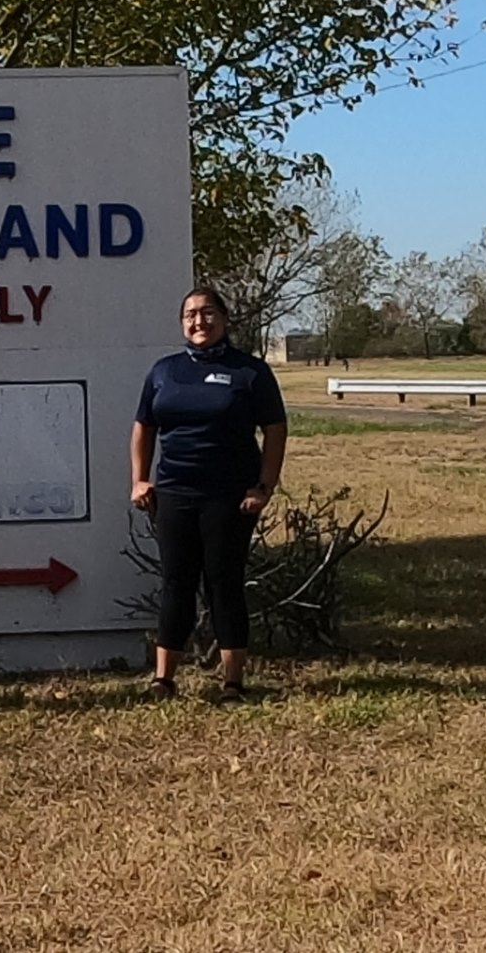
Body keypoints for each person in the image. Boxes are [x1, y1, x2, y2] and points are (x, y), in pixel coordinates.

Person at [129, 286, 287, 702]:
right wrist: (140, 479)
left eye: (208, 313)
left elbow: (275, 429)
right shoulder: (165, 371)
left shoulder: (249, 372)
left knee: (224, 584)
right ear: (183, 323)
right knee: (176, 583)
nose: (199, 321)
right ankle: (163, 680)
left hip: (229, 496)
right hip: (175, 493)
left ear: (224, 318)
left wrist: (264, 486)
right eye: (190, 315)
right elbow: (144, 425)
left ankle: (233, 682)